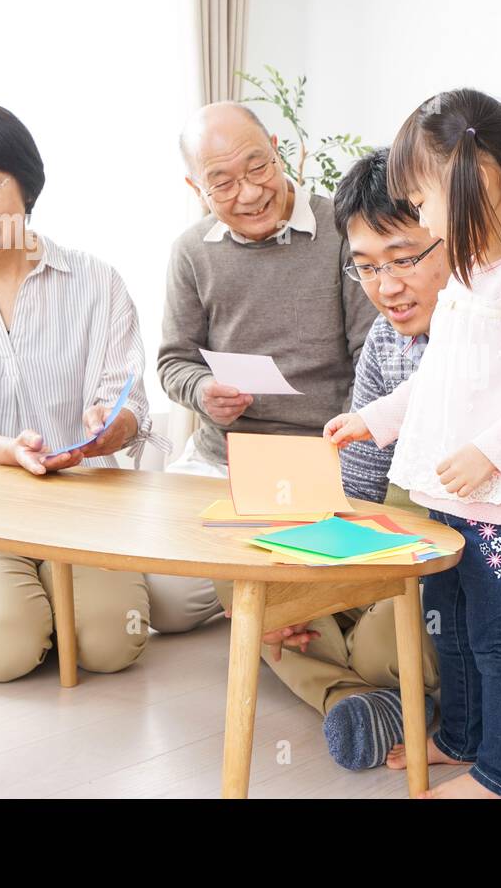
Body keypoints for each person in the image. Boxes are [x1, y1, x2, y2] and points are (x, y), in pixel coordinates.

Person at [260, 148, 501, 773]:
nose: (387, 286)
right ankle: (374, 700)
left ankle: (392, 700)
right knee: (255, 590)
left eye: (405, 258)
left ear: (450, 234)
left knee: (415, 633)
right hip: (454, 548)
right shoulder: (388, 343)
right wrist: (298, 596)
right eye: (367, 268)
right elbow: (359, 497)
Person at [326, 89, 501, 798]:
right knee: (446, 626)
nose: (421, 217)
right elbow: (437, 380)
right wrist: (374, 420)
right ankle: (459, 736)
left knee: (495, 641)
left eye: (423, 200)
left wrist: (492, 453)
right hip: (450, 500)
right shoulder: (471, 275)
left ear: (486, 177)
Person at [0, 102, 168, 682]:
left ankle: (43, 593)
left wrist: (110, 427)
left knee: (113, 646)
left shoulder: (96, 281)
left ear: (27, 185)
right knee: (4, 653)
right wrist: (7, 450)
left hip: (82, 501)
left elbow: (127, 401)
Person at [148, 102, 376, 631]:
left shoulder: (342, 232)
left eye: (257, 167)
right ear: (195, 188)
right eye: (222, 183)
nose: (248, 193)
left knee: (321, 587)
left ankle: (267, 592)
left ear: (278, 149)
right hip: (222, 458)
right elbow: (173, 361)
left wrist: (335, 458)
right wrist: (203, 390)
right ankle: (264, 590)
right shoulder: (190, 252)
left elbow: (373, 357)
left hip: (321, 457)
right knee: (165, 604)